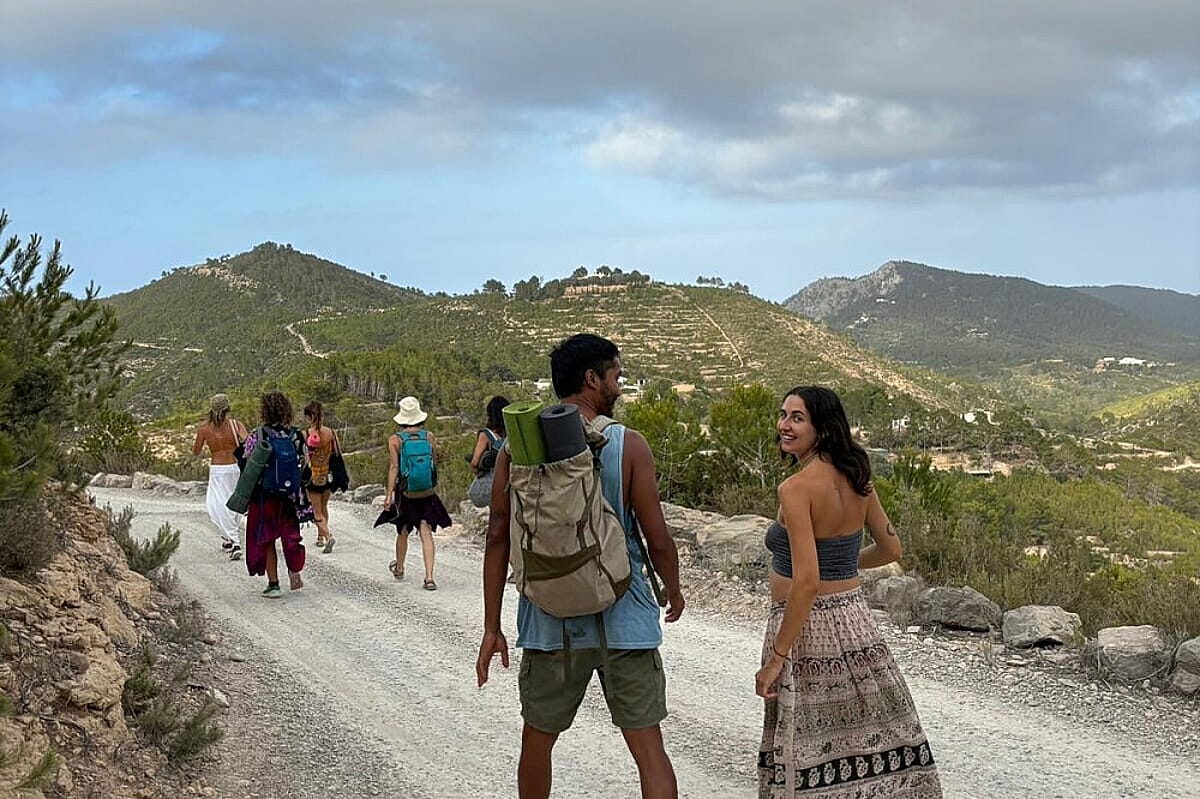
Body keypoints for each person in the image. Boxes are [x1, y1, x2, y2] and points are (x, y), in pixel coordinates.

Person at [476, 334, 686, 799]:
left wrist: (492, 627)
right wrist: (673, 589)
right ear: (592, 379)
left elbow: (496, 535)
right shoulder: (629, 444)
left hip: (549, 619)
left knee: (537, 742)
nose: (619, 386)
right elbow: (658, 539)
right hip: (623, 616)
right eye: (615, 376)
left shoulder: (517, 450)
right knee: (649, 752)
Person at [756, 386, 942, 798]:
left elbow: (806, 583)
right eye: (783, 415)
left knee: (806, 737)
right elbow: (892, 549)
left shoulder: (796, 489)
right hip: (855, 619)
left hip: (806, 627)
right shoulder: (859, 478)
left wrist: (776, 659)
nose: (784, 425)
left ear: (822, 428)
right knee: (862, 733)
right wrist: (840, 565)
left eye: (797, 418)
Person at [241, 391, 308, 598]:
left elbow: (248, 463)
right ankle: (294, 569)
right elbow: (305, 464)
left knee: (267, 538)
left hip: (265, 496)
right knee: (290, 535)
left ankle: (274, 584)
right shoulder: (296, 435)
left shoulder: (258, 435)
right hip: (290, 495)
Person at [384, 395, 451, 590]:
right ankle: (429, 577)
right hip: (427, 492)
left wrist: (389, 494)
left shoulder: (395, 440)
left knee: (403, 531)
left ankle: (399, 567)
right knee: (426, 531)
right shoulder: (429, 437)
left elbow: (394, 468)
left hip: (406, 493)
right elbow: (433, 462)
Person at [192, 393, 248, 560]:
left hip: (217, 469)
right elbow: (249, 442)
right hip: (235, 467)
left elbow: (195, 452)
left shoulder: (204, 428)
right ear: (228, 408)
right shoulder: (236, 425)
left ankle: (235, 541)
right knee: (235, 502)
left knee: (216, 505)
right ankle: (228, 538)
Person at [303, 400, 338, 554]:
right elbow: (337, 453)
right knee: (324, 507)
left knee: (316, 512)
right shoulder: (331, 433)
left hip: (313, 476)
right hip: (328, 475)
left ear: (309, 417)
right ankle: (320, 537)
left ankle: (328, 536)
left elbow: (303, 456)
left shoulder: (305, 434)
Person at [467, 395, 509, 510]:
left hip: (494, 485)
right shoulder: (511, 433)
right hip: (511, 483)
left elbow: (475, 462)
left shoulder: (486, 435)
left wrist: (477, 468)